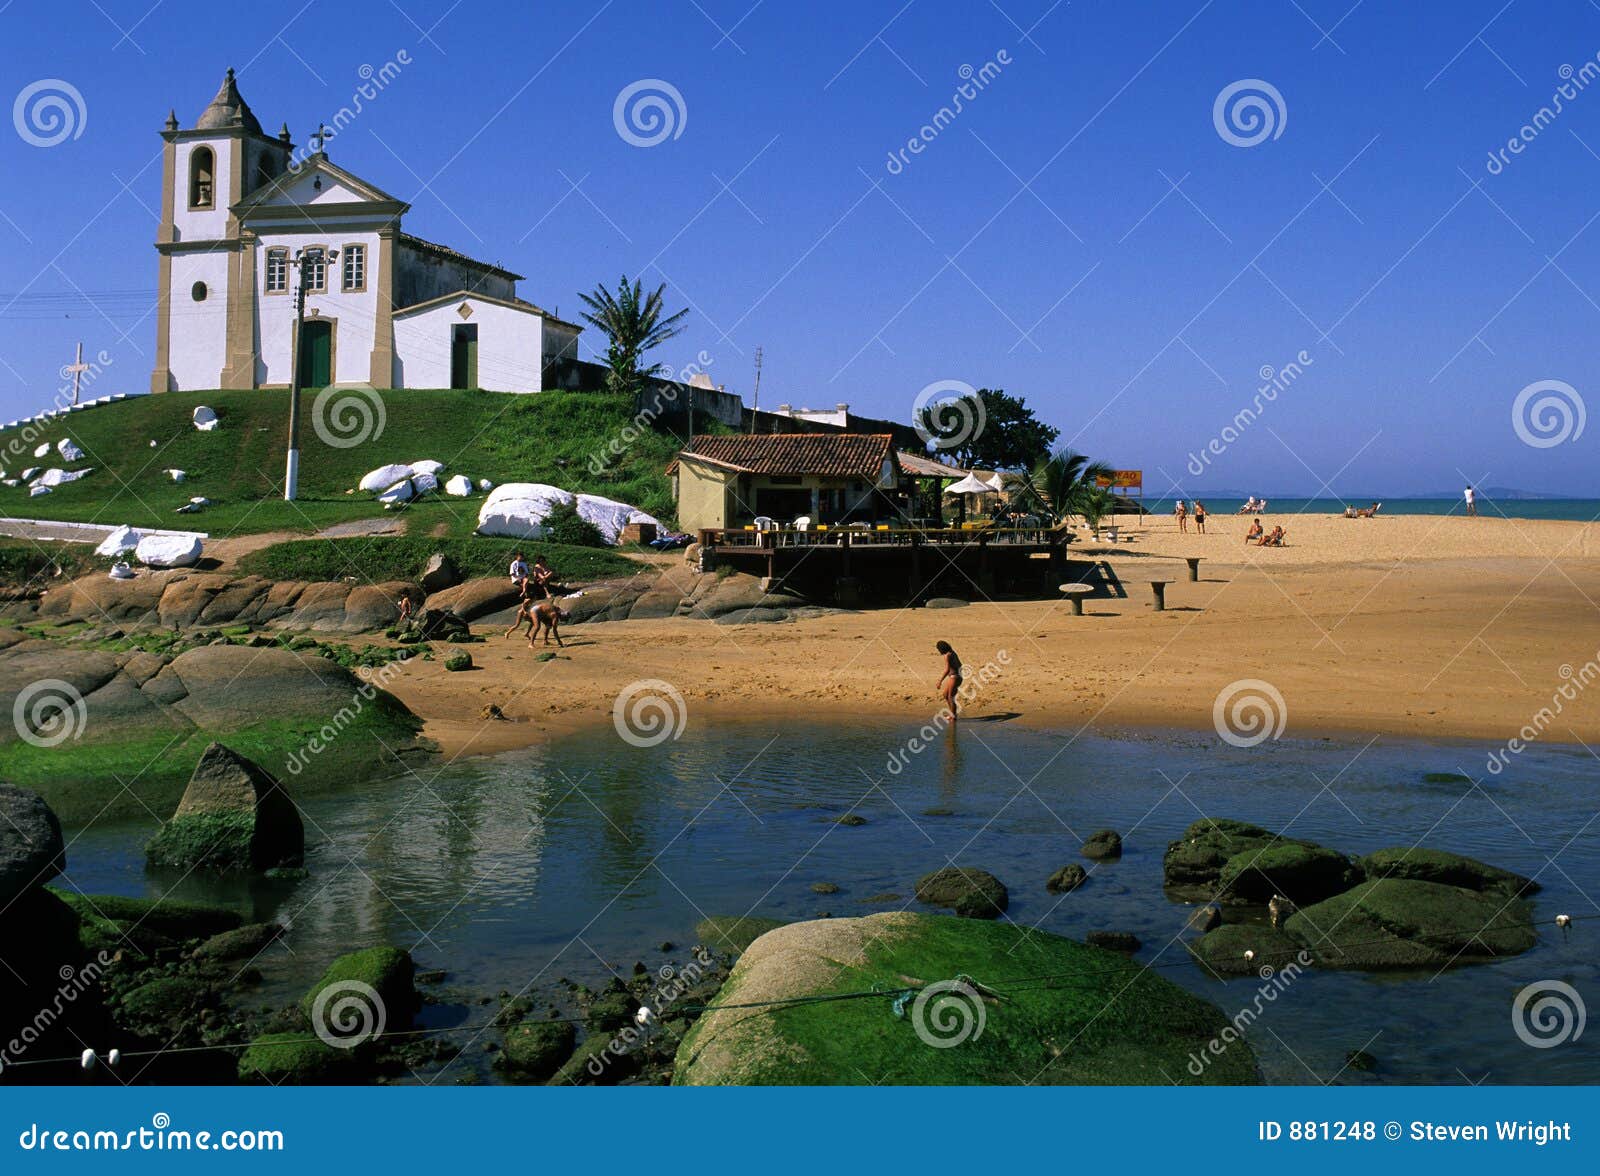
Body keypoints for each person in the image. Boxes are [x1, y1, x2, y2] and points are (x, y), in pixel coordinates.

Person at [935, 640, 963, 721]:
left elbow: (947, 669)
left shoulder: (947, 656)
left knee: (950, 697)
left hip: (954, 677)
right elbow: (960, 665)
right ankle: (952, 714)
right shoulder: (953, 652)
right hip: (957, 677)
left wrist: (940, 681)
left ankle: (953, 717)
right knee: (945, 695)